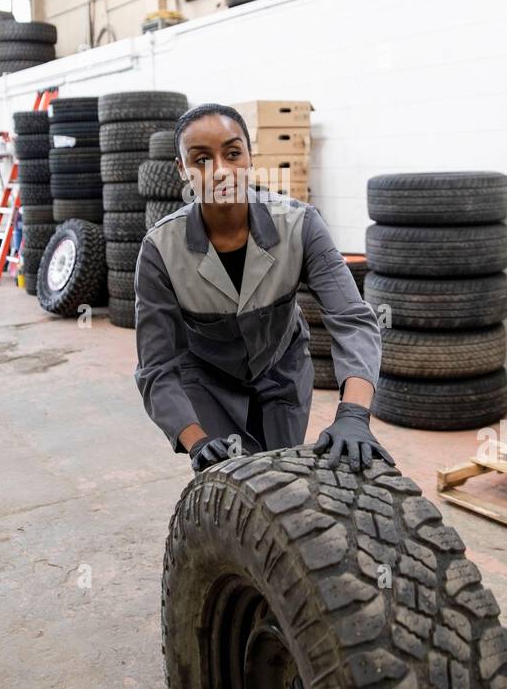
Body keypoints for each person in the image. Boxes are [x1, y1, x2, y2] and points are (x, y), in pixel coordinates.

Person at [133, 102, 395, 473]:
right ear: (182, 169)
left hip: (281, 370)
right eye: (201, 159)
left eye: (232, 153)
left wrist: (354, 413)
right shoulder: (160, 249)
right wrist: (196, 440)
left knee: (282, 477)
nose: (221, 171)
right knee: (228, 485)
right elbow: (156, 366)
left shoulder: (300, 225)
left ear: (250, 157)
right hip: (206, 381)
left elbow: (352, 319)